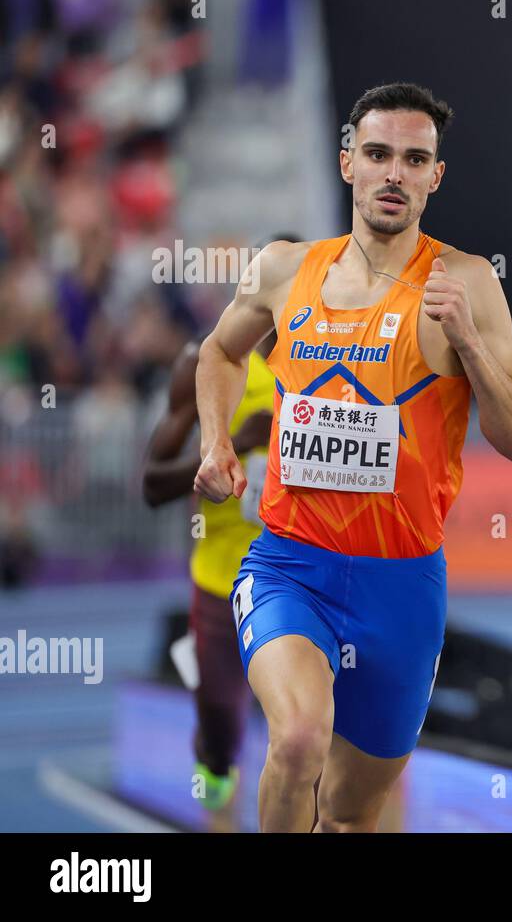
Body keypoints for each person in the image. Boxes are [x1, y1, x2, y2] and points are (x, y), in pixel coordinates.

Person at [192, 82, 512, 832]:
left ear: (435, 177)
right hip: (291, 565)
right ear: (347, 162)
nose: (394, 173)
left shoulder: (467, 283)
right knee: (297, 740)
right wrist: (215, 440)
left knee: (351, 814)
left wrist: (471, 344)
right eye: (378, 154)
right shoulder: (284, 269)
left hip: (402, 587)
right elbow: (218, 352)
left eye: (414, 160)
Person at [143, 325, 275, 813]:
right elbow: (153, 485)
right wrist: (237, 442)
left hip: (299, 573)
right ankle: (216, 763)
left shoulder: (333, 362)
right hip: (222, 577)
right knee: (221, 734)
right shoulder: (204, 362)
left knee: (304, 727)